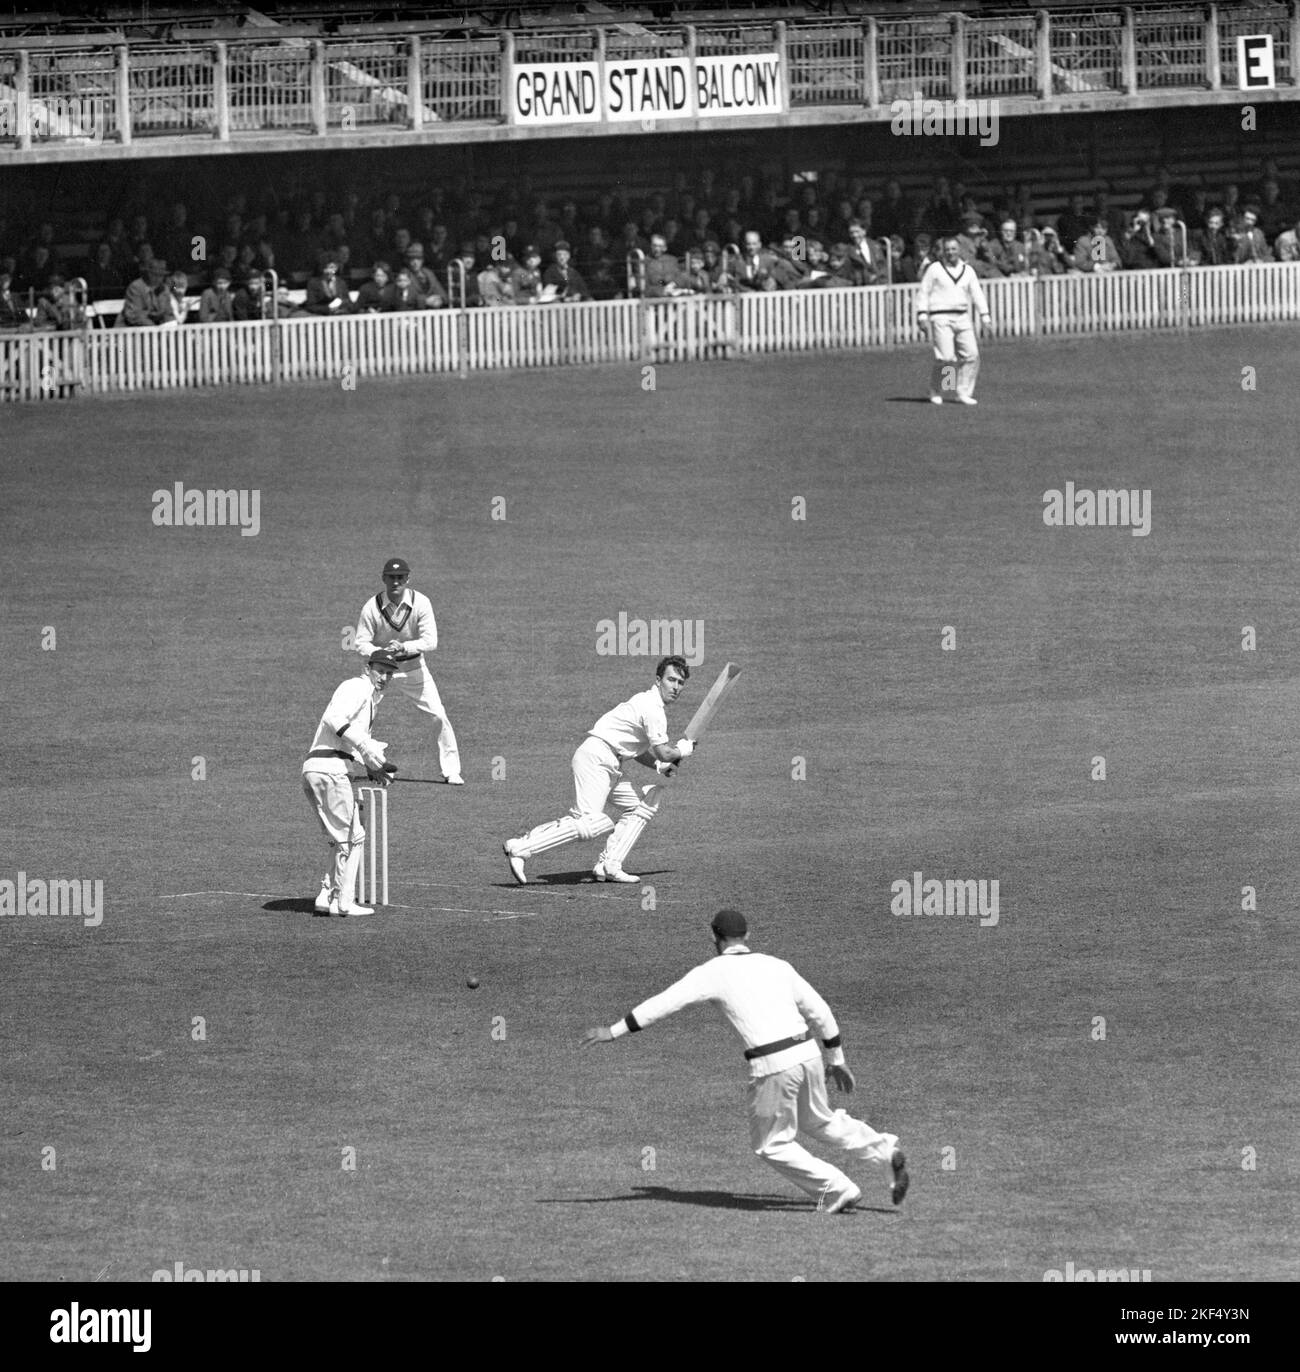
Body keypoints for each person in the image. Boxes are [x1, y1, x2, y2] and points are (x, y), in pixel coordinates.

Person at [582, 908, 908, 1214]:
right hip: (808, 1053)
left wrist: (614, 1030)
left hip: (773, 1065)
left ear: (714, 938)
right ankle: (884, 1151)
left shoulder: (711, 972)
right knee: (819, 1122)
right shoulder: (778, 965)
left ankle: (836, 1188)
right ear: (747, 934)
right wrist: (835, 1059)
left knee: (770, 1144)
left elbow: (664, 1003)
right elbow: (820, 1011)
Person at [502, 656, 694, 885]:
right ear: (658, 680)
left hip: (610, 762)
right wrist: (682, 750)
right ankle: (520, 847)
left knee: (642, 805)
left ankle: (610, 865)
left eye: (680, 683)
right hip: (596, 758)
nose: (675, 687)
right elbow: (664, 752)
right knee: (592, 823)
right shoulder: (652, 708)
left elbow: (634, 748)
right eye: (671, 680)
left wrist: (657, 766)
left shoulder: (647, 703)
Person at [301, 649, 401, 917]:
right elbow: (334, 719)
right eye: (380, 671)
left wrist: (372, 766)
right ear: (368, 668)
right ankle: (344, 903)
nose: (384, 677)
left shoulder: (370, 700)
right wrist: (367, 747)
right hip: (330, 768)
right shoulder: (357, 687)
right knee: (354, 837)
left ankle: (326, 896)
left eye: (390, 674)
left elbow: (349, 742)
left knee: (340, 838)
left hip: (317, 769)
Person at [353, 557, 463, 785]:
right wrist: (383, 654)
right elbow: (360, 643)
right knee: (359, 717)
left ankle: (451, 770)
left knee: (438, 715)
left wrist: (404, 647)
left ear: (407, 579)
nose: (396, 582)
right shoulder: (371, 607)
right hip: (380, 670)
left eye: (400, 577)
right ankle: (357, 766)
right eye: (391, 577)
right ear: (383, 578)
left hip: (413, 668)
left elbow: (431, 641)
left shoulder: (421, 603)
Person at [916, 235, 991, 406]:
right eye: (947, 249)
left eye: (953, 249)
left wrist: (985, 316)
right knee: (947, 358)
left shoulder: (968, 270)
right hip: (940, 316)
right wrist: (922, 315)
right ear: (943, 251)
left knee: (972, 355)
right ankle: (938, 390)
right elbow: (924, 292)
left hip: (962, 316)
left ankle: (962, 392)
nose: (950, 252)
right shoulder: (935, 269)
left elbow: (977, 294)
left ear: (959, 250)